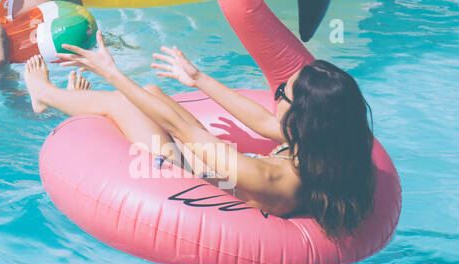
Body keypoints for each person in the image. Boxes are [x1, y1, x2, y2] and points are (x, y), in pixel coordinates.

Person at [23, 40, 376, 239]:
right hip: (212, 162)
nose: (276, 94)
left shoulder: (274, 179)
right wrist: (197, 78)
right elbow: (262, 119)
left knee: (122, 101)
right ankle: (78, 105)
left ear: (303, 117)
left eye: (283, 92)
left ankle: (45, 95)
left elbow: (188, 133)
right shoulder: (322, 146)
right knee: (151, 90)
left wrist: (112, 73)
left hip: (183, 174)